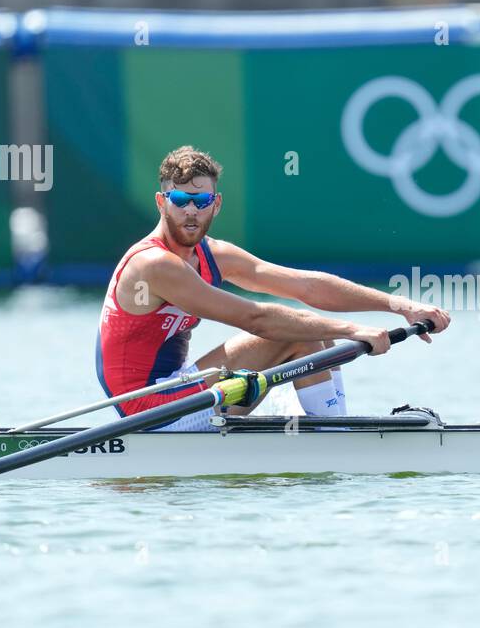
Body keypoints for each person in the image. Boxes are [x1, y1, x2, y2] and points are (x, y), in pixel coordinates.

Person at [98, 146, 449, 430]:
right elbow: (257, 319)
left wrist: (398, 304)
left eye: (201, 202)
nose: (191, 211)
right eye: (180, 200)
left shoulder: (214, 255)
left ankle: (329, 427)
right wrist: (353, 329)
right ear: (162, 203)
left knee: (309, 331)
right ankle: (336, 436)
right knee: (296, 332)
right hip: (146, 412)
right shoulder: (154, 265)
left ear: (215, 205)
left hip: (181, 389)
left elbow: (306, 286)